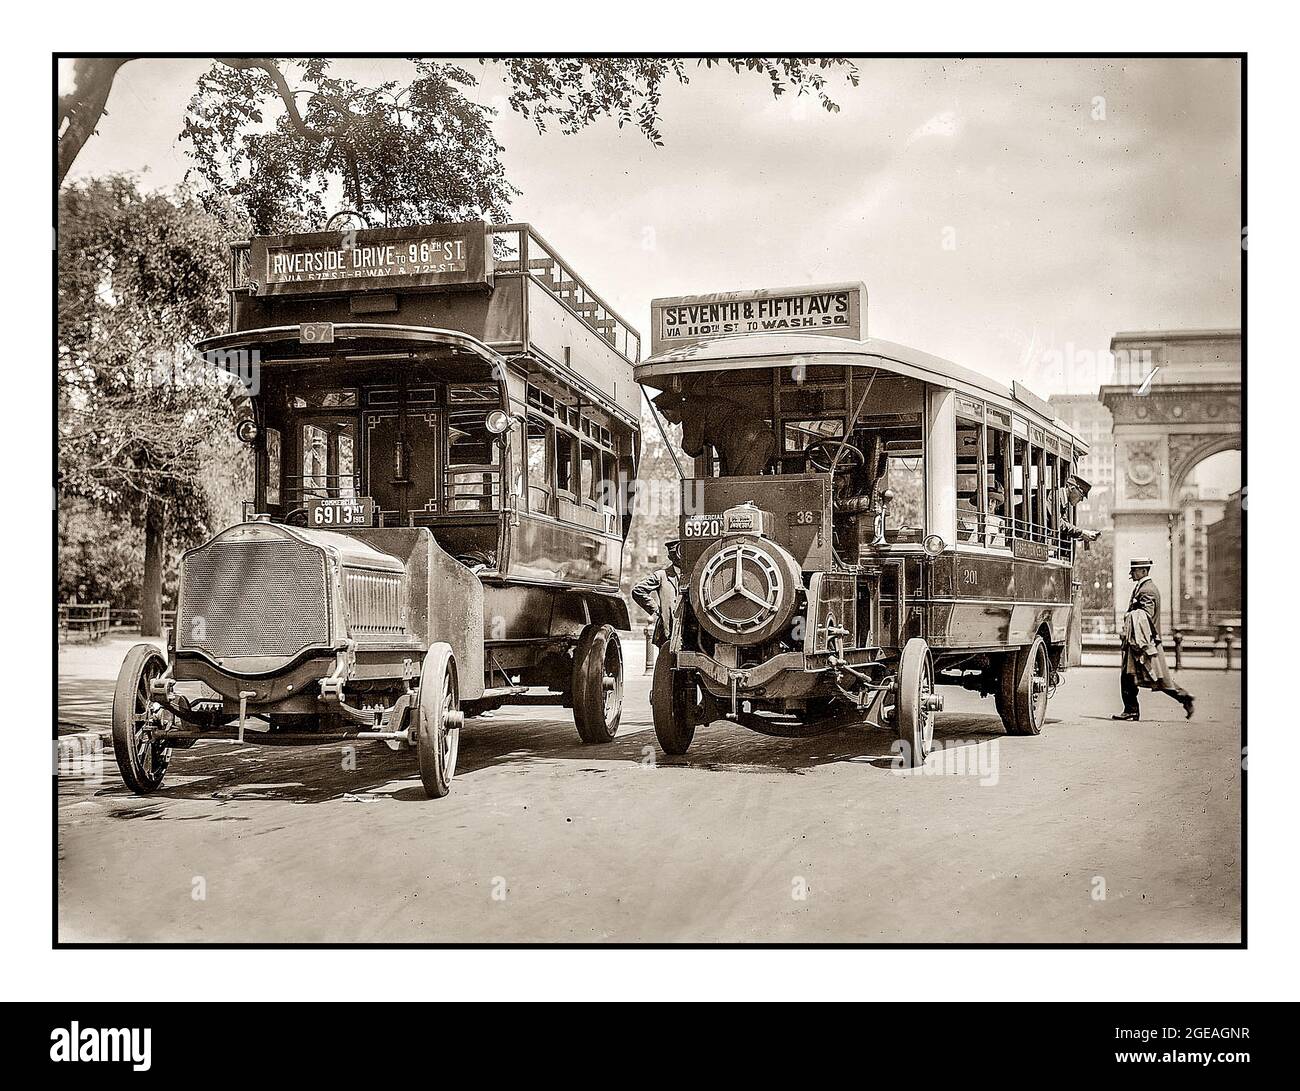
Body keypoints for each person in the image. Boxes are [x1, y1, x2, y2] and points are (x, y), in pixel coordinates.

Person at [1113, 557, 1195, 721]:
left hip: (1143, 643)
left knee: (1149, 677)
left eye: (1134, 570)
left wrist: (1128, 616)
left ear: (1144, 571)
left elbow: (1146, 616)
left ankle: (1133, 710)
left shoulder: (1147, 590)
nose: (1132, 573)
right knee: (1144, 677)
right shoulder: (1143, 587)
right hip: (1143, 642)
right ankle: (1133, 709)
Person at [654, 390, 775, 477]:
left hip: (746, 439)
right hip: (764, 434)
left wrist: (701, 444)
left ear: (667, 411)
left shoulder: (691, 408)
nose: (667, 419)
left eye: (664, 414)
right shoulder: (703, 405)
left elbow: (691, 447)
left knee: (740, 487)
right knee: (740, 482)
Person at [631, 539, 682, 647]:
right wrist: (656, 610)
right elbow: (638, 590)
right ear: (670, 557)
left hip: (689, 631)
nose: (678, 556)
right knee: (666, 662)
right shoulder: (661, 575)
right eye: (674, 554)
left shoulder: (694, 575)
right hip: (667, 631)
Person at [1057, 473, 1101, 543]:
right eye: (1081, 495)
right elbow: (1057, 523)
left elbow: (1066, 525)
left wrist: (1082, 535)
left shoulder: (1063, 501)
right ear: (1071, 488)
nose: (1081, 500)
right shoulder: (1056, 496)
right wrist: (1082, 532)